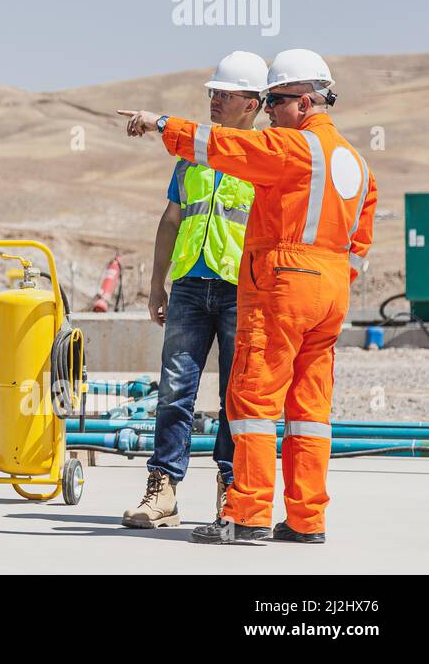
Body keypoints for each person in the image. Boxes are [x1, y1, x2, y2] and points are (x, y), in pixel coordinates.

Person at [118, 48, 376, 545]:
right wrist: (336, 275)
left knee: (252, 400)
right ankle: (306, 521)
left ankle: (248, 514)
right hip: (329, 295)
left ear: (303, 102)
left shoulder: (292, 147)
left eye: (276, 100)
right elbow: (360, 235)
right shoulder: (355, 162)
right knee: (308, 410)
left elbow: (221, 147)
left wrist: (160, 123)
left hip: (284, 287)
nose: (270, 110)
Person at [122, 52, 266, 531]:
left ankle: (232, 492)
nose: (215, 101)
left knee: (236, 396)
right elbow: (171, 219)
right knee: (174, 392)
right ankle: (162, 491)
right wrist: (155, 285)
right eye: (212, 93)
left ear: (253, 103)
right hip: (188, 287)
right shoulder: (193, 155)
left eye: (224, 95)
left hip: (240, 291)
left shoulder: (267, 157)